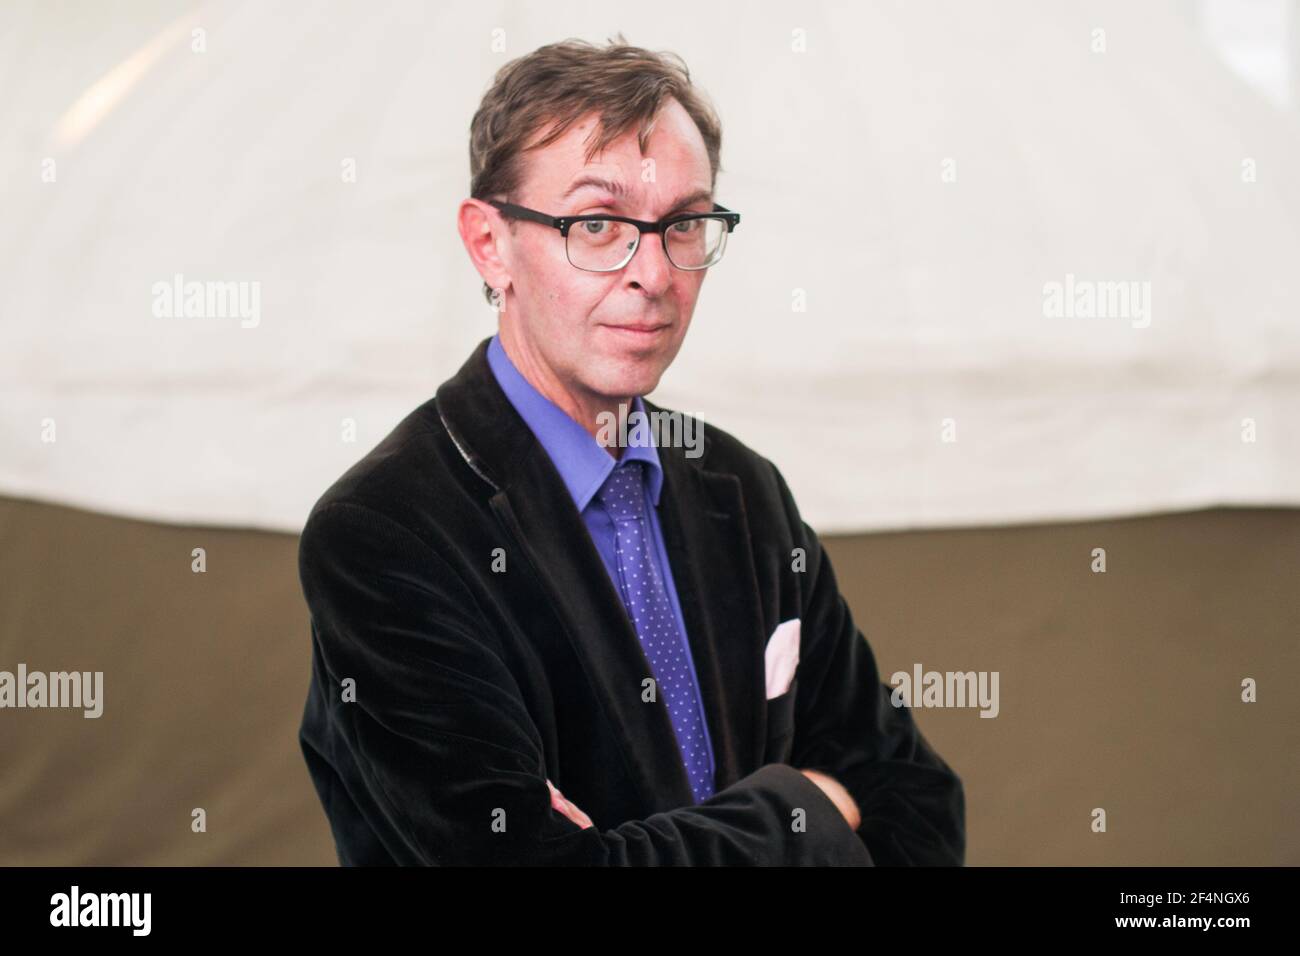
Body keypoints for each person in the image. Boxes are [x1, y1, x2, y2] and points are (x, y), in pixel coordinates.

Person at [297, 35, 965, 865]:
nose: (652, 271)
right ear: (489, 244)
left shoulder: (743, 490)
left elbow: (920, 804)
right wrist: (807, 807)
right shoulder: (386, 532)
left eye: (683, 223)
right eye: (598, 223)